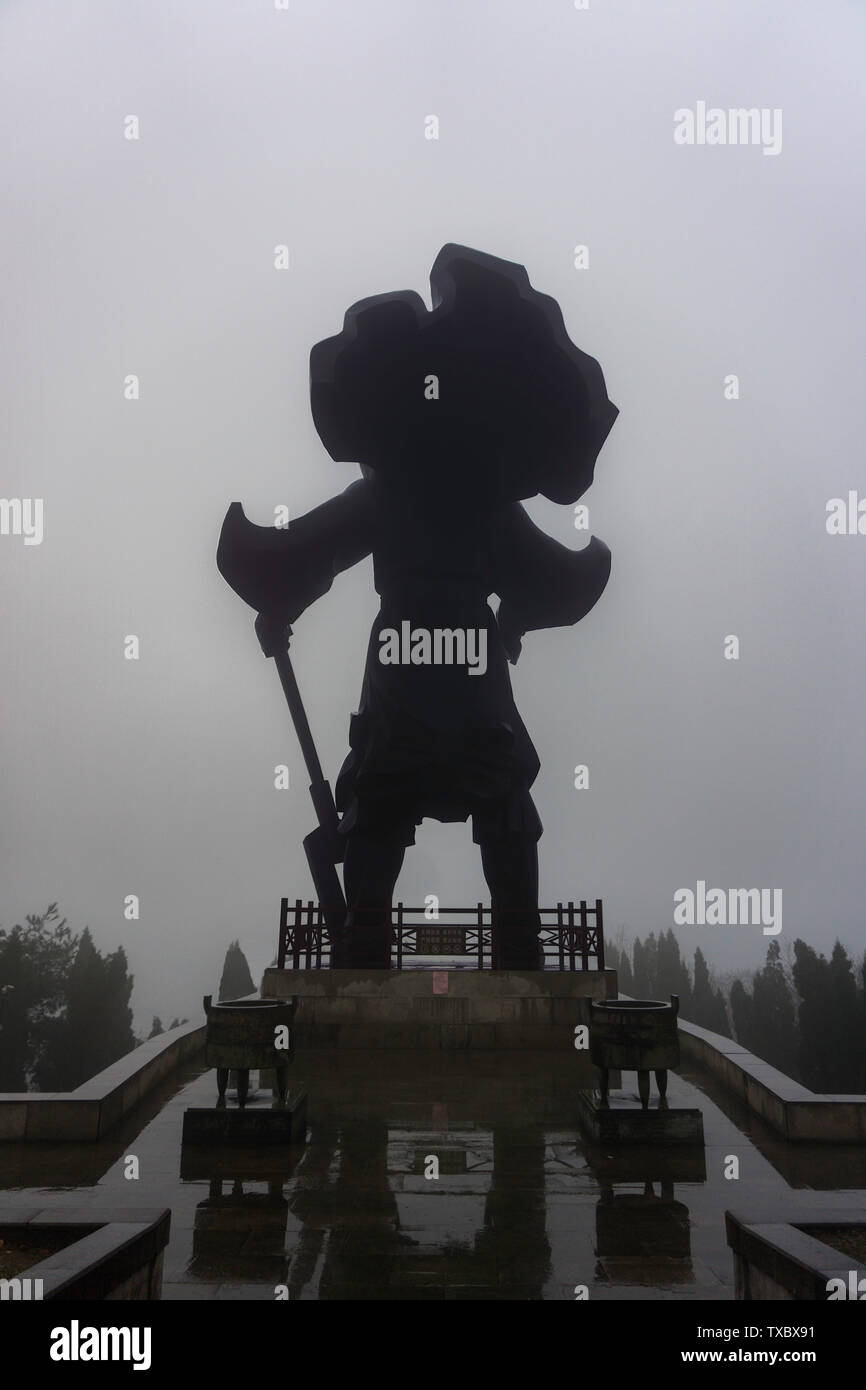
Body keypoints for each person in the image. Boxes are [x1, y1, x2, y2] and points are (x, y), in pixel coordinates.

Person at [219, 245, 618, 969]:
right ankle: (512, 954)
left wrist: (278, 595)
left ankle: (373, 955)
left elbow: (310, 551)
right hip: (467, 657)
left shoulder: (397, 492)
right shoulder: (479, 499)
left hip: (407, 656)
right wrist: (521, 617)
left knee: (389, 798)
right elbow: (547, 576)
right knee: (477, 800)